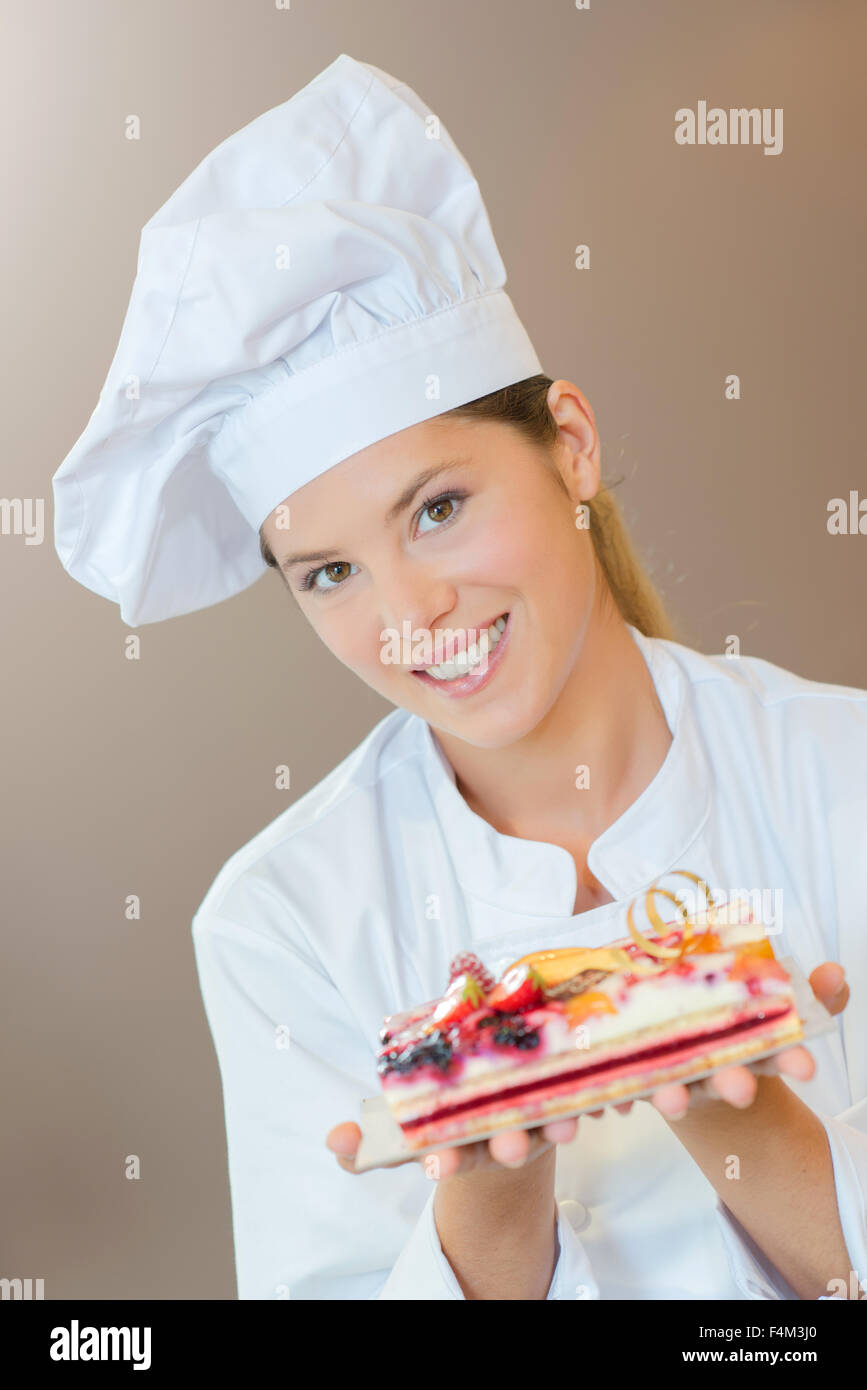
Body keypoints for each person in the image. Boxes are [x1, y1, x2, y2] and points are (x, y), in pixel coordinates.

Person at [51, 55, 867, 1301]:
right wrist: (485, 1196)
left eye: (437, 508)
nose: (410, 614)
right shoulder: (282, 921)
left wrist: (746, 1126)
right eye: (328, 573)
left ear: (572, 447)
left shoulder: (843, 777)